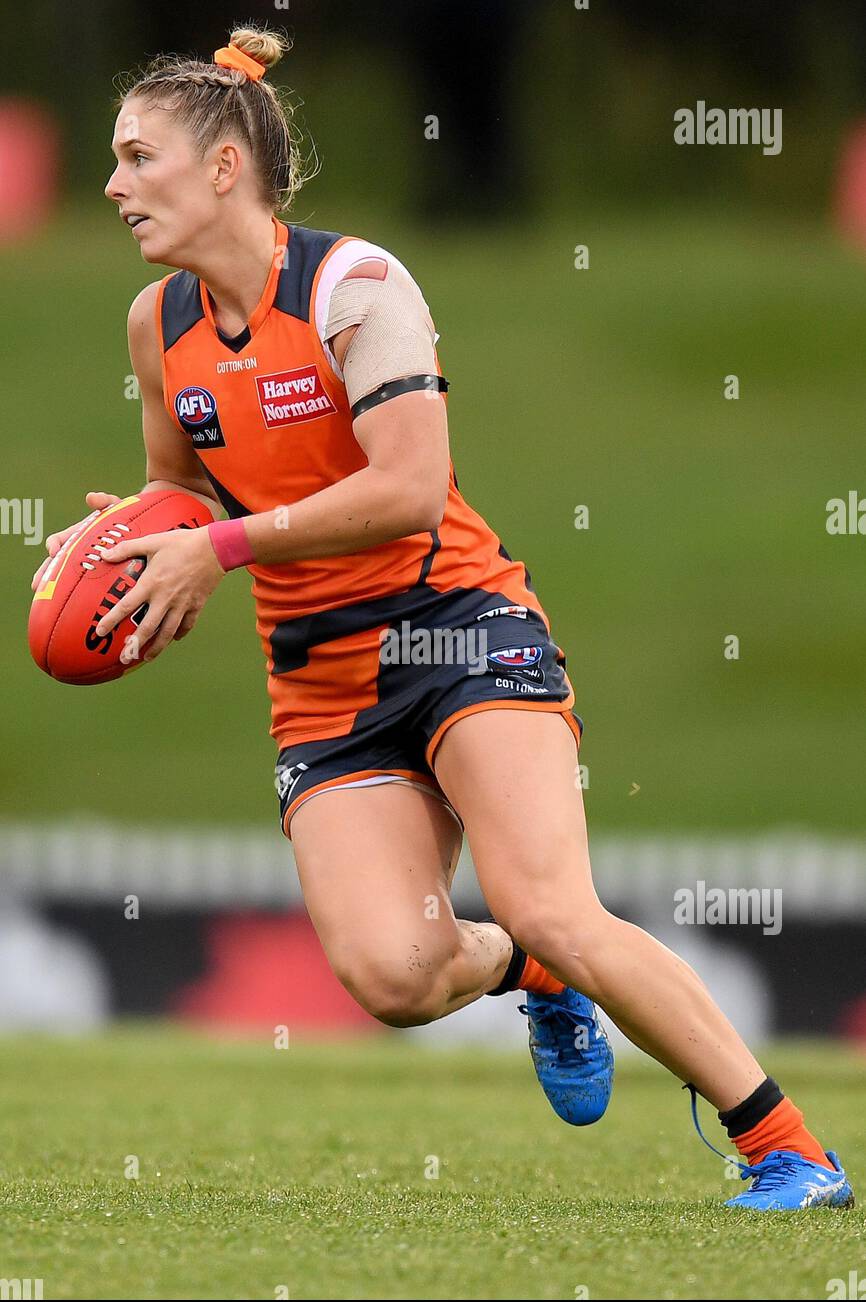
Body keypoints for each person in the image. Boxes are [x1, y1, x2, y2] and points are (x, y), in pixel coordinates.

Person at [34, 24, 852, 1210]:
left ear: (221, 169)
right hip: (317, 674)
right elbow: (188, 485)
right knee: (397, 977)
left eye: (134, 157)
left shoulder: (354, 287)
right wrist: (129, 536)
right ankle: (533, 974)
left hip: (458, 625)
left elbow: (407, 487)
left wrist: (216, 545)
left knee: (549, 899)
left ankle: (788, 1148)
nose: (110, 185)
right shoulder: (153, 326)